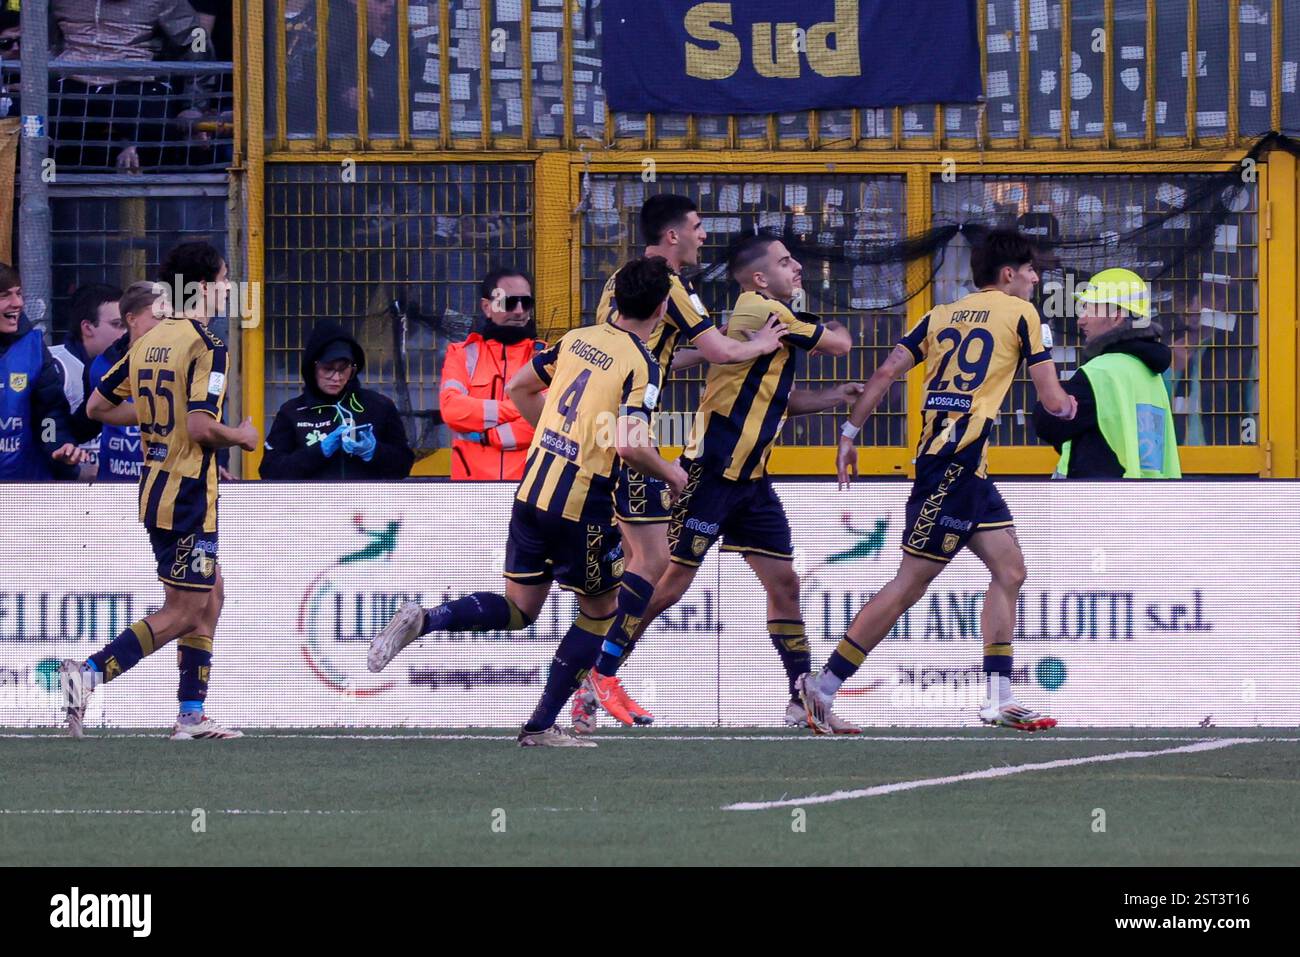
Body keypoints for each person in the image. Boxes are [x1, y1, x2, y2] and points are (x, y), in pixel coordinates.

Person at [367, 256, 685, 748]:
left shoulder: (580, 338)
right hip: (582, 505)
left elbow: (520, 385)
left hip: (532, 489)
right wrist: (672, 473)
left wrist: (555, 434)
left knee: (520, 608)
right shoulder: (642, 364)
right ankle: (540, 726)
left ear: (616, 300)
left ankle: (428, 619)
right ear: (663, 308)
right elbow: (629, 444)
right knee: (601, 611)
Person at [804, 229, 1078, 734]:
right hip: (953, 464)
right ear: (1009, 274)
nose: (1037, 280)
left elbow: (886, 372)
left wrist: (848, 433)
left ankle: (999, 697)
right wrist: (1066, 406)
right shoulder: (1022, 314)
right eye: (1032, 270)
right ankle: (820, 691)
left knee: (1011, 569)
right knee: (910, 584)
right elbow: (1051, 397)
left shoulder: (939, 314)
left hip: (962, 466)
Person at [583, 234, 859, 732]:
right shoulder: (760, 310)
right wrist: (836, 322)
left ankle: (802, 701)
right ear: (758, 278)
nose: (796, 267)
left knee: (784, 583)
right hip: (710, 471)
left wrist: (835, 398)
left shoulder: (771, 321)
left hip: (751, 480)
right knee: (666, 586)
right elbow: (841, 343)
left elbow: (779, 399)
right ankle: (596, 678)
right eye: (784, 261)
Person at [578, 195, 788, 726]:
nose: (702, 236)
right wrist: (759, 343)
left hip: (593, 426)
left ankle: (589, 683)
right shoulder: (669, 284)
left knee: (637, 564)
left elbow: (674, 352)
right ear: (672, 236)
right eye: (696, 227)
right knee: (651, 565)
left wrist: (725, 347)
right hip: (626, 428)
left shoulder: (622, 279)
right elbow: (718, 351)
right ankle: (598, 676)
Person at [62, 242, 257, 740]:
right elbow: (198, 426)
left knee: (211, 595)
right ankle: (89, 674)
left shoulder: (148, 341)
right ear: (202, 287)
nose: (228, 288)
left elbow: (97, 409)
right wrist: (241, 436)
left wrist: (157, 420)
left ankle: (190, 715)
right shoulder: (206, 343)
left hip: (155, 488)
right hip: (190, 492)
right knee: (188, 608)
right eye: (223, 278)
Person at [1034, 268, 1181, 478]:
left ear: (1117, 316)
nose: (1080, 320)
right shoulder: (1150, 373)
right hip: (1150, 501)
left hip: (1103, 500)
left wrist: (1040, 363)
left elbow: (1046, 422)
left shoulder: (1101, 372)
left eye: (1089, 309)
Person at [259, 321, 414, 481]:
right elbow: (269, 471)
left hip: (367, 503)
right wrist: (319, 451)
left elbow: (404, 465)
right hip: (312, 504)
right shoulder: (292, 412)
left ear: (353, 369)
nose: (336, 377)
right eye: (328, 368)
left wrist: (374, 451)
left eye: (343, 369)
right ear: (313, 368)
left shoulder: (380, 406)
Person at [439, 268, 542, 481]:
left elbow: (549, 420)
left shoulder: (546, 357)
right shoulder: (462, 353)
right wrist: (517, 407)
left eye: (526, 303)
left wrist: (490, 435)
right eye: (509, 303)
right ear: (487, 307)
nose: (519, 311)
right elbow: (452, 410)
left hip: (530, 492)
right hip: (471, 492)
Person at [0, 263, 87, 480]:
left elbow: (49, 414)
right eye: (4, 296)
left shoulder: (33, 347)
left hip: (24, 488)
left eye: (19, 293)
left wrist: (57, 445)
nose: (17, 303)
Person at [88, 281, 168, 482]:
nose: (166, 324)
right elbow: (90, 419)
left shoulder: (179, 360)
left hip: (162, 482)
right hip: (113, 483)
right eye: (158, 316)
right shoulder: (103, 365)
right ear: (131, 319)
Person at [51, 282, 126, 473]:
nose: (126, 332)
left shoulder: (130, 367)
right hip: (57, 488)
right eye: (117, 325)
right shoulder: (55, 366)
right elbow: (47, 427)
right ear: (87, 327)